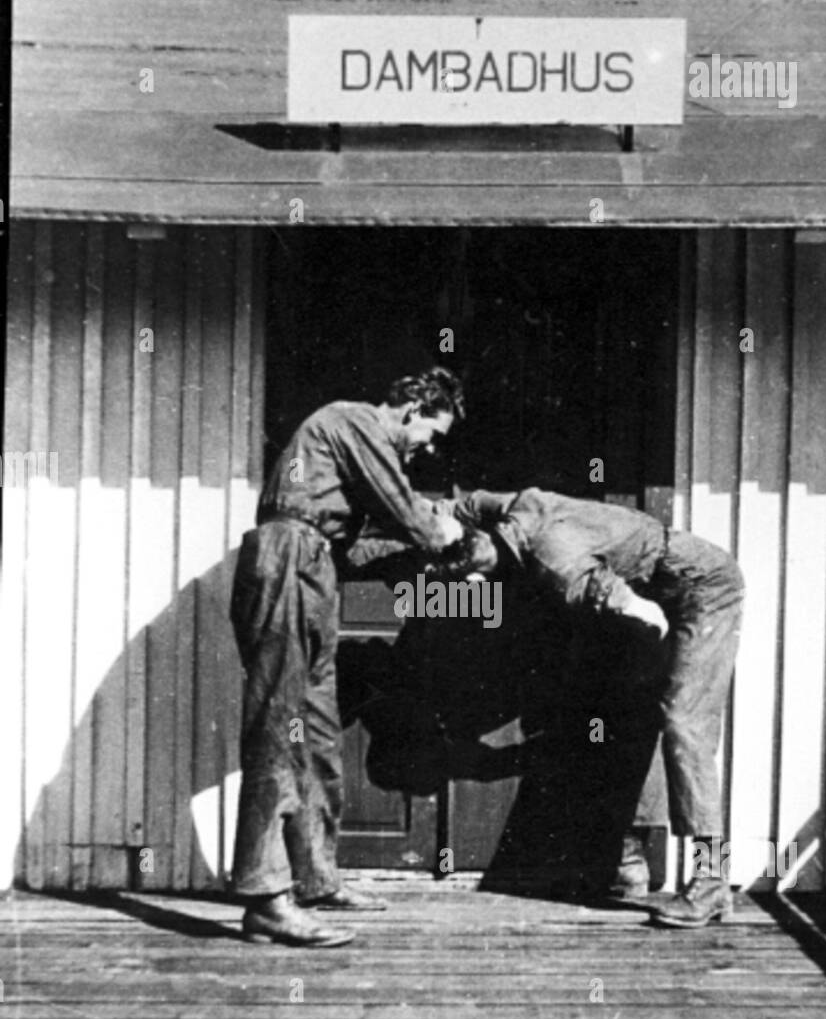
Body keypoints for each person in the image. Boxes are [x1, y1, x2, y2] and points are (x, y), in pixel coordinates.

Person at [230, 367, 466, 947]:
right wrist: (456, 533)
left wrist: (421, 551)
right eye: (431, 434)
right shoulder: (356, 422)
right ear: (411, 408)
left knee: (318, 734)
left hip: (314, 568)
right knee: (278, 732)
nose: (428, 449)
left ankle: (314, 878)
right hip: (288, 561)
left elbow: (358, 543)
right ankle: (264, 898)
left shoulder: (349, 455)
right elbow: (411, 517)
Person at [445, 487, 745, 929]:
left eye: (478, 578)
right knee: (631, 713)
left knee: (686, 725)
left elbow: (645, 617)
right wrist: (435, 519)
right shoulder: (512, 507)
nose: (480, 586)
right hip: (660, 583)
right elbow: (463, 505)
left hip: (704, 590)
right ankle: (629, 862)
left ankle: (711, 882)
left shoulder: (557, 565)